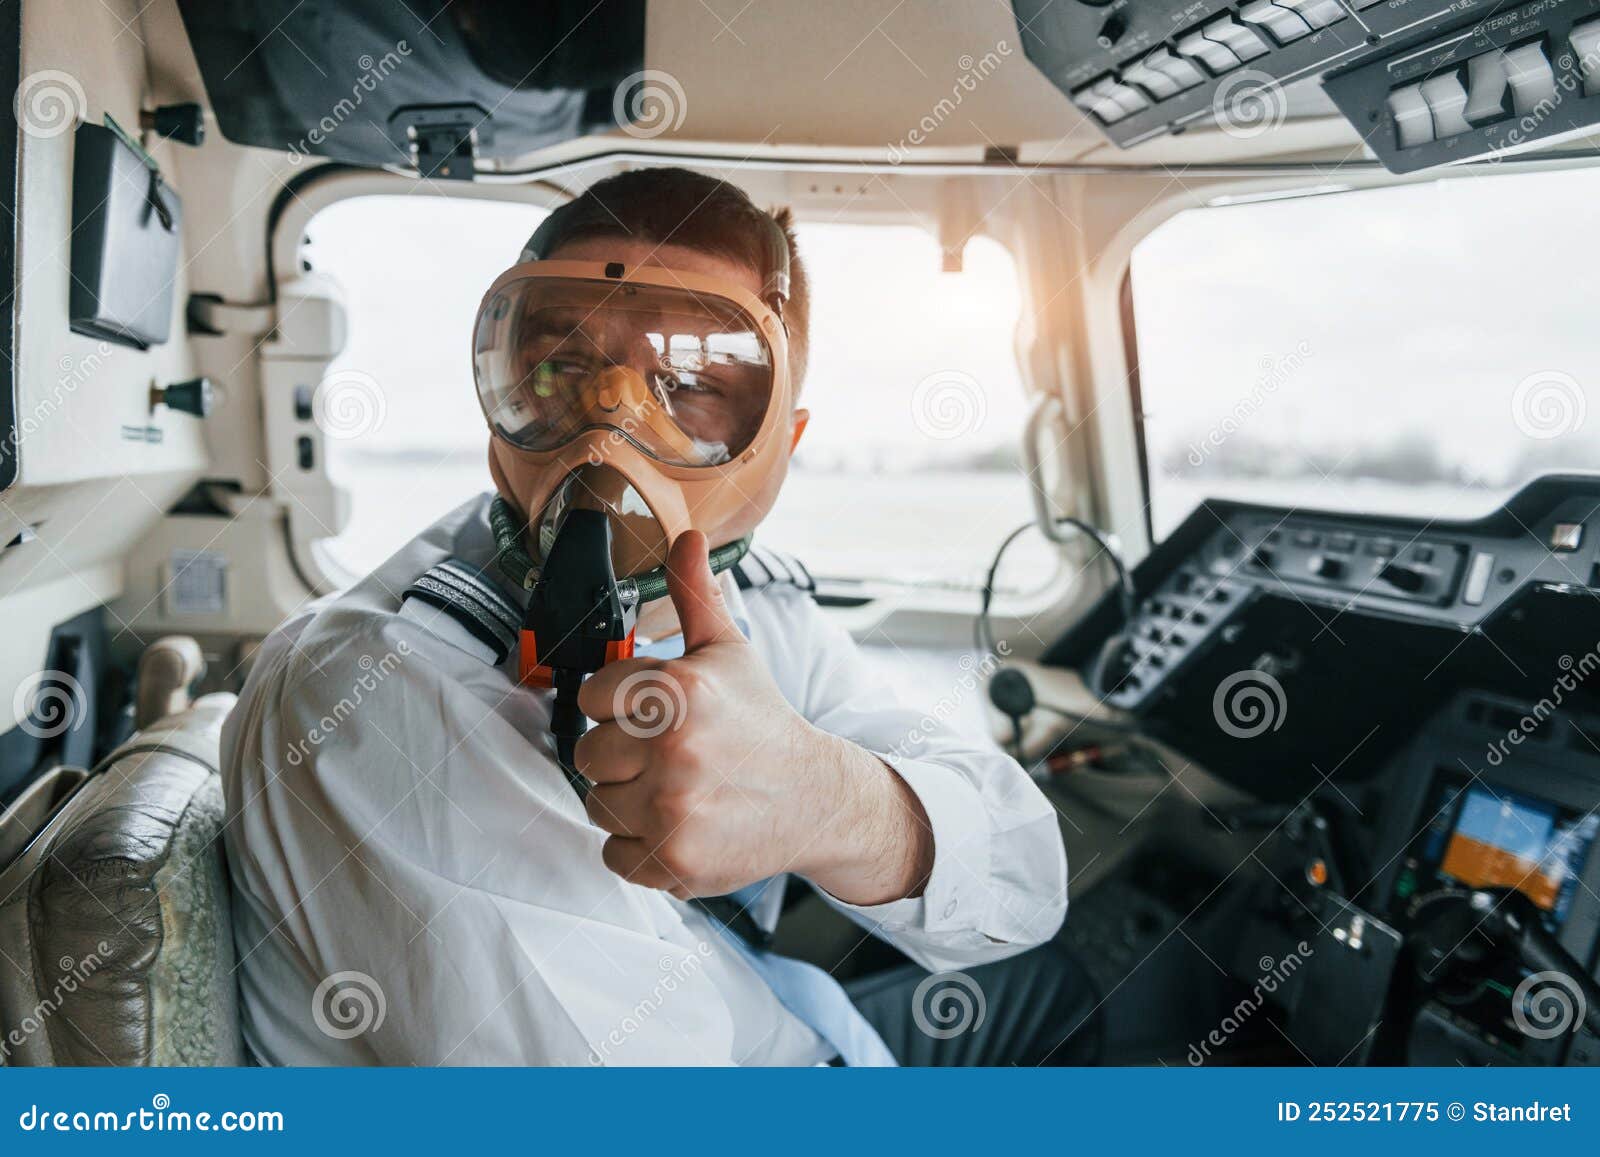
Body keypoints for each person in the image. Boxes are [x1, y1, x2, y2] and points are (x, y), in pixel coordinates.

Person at [221, 167, 1094, 1065]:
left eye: (690, 383)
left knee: (1054, 987)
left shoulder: (755, 609)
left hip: (800, 1016)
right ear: (505, 402)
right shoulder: (387, 688)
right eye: (563, 367)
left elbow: (1023, 886)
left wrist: (827, 800)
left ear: (778, 449)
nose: (612, 428)